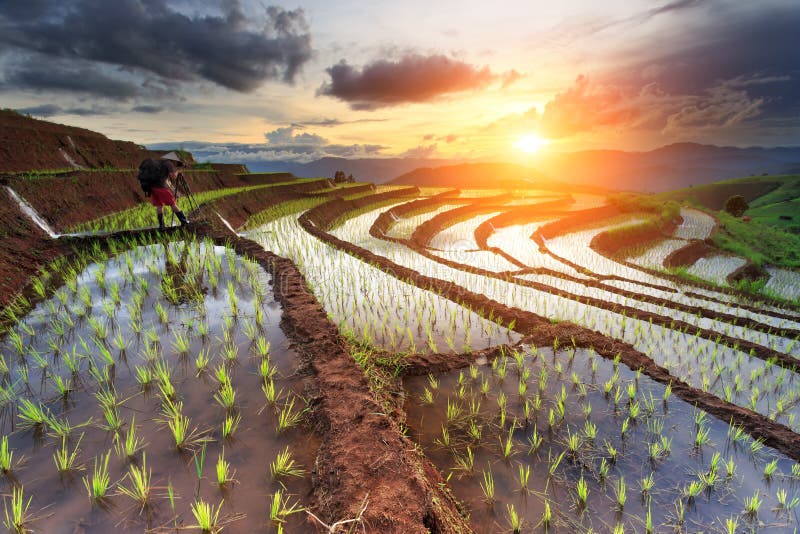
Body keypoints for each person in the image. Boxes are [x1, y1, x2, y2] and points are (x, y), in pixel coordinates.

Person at [151, 152, 190, 229]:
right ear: (174, 160)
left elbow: (166, 179)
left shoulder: (161, 163)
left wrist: (172, 189)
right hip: (160, 187)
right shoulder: (169, 164)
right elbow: (174, 176)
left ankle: (162, 226)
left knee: (159, 205)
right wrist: (179, 170)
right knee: (172, 203)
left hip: (152, 186)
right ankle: (183, 221)